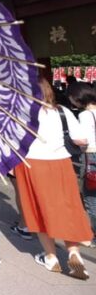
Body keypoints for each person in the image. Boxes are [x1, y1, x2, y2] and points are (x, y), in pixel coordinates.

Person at [14, 78, 91, 280]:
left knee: (38, 208)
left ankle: (51, 257)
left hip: (31, 164)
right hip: (61, 163)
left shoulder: (21, 113)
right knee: (66, 206)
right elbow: (81, 140)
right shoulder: (63, 112)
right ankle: (74, 252)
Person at [68, 81, 96, 240]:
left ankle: (94, 234)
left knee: (91, 197)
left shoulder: (84, 115)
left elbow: (82, 140)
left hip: (91, 157)